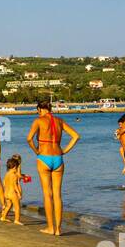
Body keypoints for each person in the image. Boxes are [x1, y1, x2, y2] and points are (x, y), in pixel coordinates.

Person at [26, 99, 80, 235]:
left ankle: (50, 228)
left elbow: (29, 139)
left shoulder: (38, 121)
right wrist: (65, 150)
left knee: (47, 194)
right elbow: (75, 136)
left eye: (38, 111)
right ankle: (58, 229)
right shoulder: (59, 121)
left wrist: (36, 151)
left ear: (39, 109)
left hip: (44, 158)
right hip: (58, 158)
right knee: (57, 195)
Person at [0, 154, 24, 225]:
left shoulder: (7, 174)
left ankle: (3, 217)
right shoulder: (14, 175)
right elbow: (15, 185)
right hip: (12, 193)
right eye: (16, 168)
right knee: (17, 207)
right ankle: (17, 220)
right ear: (15, 167)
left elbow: (4, 183)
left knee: (8, 206)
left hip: (6, 193)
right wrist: (18, 193)